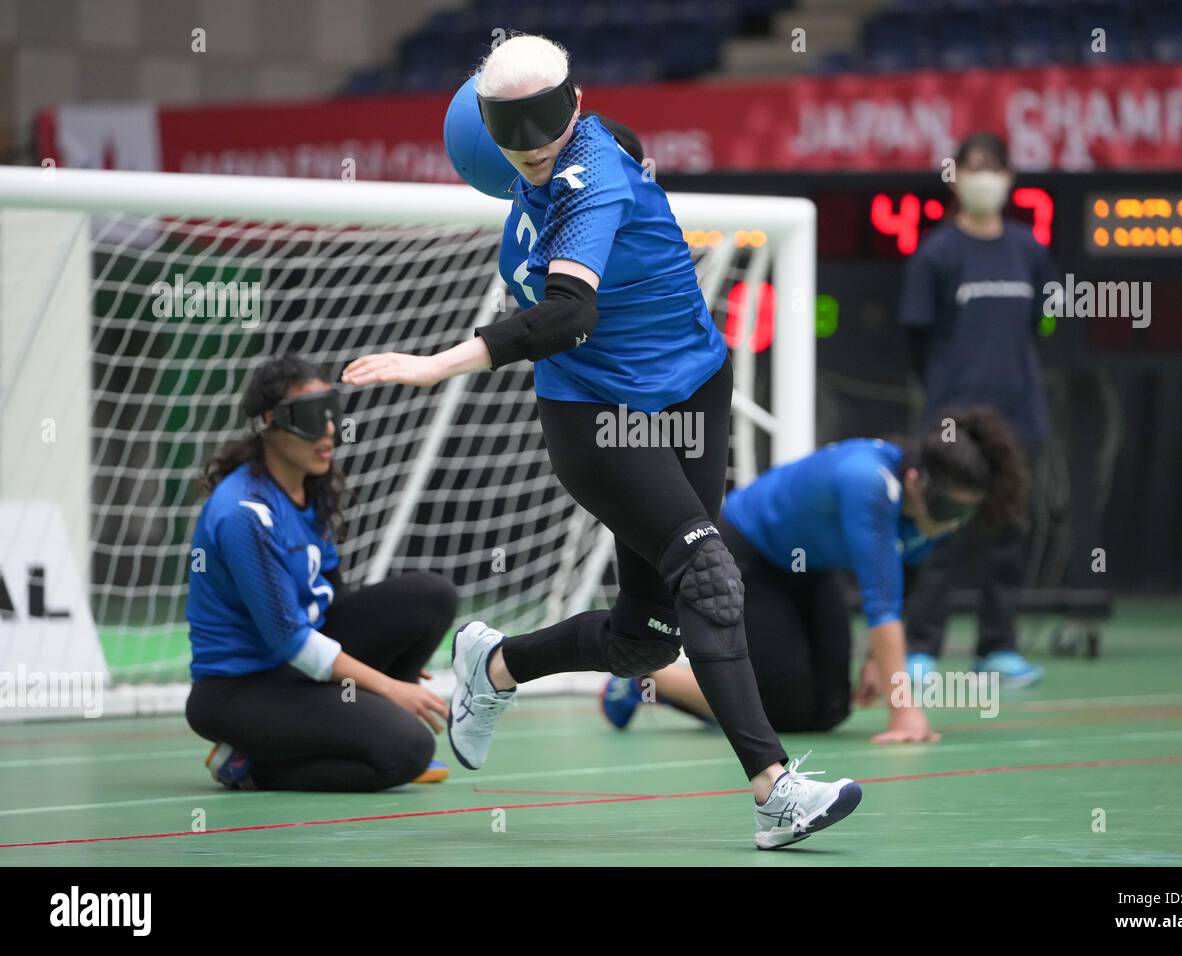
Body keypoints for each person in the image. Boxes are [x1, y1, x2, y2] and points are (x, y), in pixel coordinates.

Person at [342, 33, 861, 849]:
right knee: (712, 577)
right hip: (596, 419)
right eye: (514, 137)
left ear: (576, 109)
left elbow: (573, 305)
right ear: (491, 139)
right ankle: (774, 791)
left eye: (547, 128)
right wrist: (448, 361)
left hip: (693, 388)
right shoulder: (527, 213)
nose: (536, 150)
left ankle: (495, 664)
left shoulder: (596, 166)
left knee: (646, 639)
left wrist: (442, 362)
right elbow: (572, 320)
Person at [600, 408, 1027, 741]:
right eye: (950, 509)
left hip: (807, 568)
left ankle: (719, 697)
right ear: (916, 481)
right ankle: (649, 678)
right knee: (783, 706)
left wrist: (881, 662)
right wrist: (904, 710)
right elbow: (882, 601)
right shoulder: (870, 483)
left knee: (830, 709)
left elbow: (906, 579)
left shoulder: (932, 518)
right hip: (747, 553)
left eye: (965, 513)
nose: (953, 523)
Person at [185, 355, 458, 792]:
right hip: (241, 689)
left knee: (432, 597)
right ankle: (251, 763)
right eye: (312, 416)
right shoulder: (244, 512)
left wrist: (393, 648)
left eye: (331, 412)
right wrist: (388, 685)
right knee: (407, 752)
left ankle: (366, 725)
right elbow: (289, 639)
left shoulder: (309, 484)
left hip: (298, 666)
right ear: (269, 423)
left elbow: (333, 594)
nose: (329, 430)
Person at [897, 131, 1058, 687]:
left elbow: (1047, 323)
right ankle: (920, 651)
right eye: (974, 166)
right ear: (955, 177)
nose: (984, 176)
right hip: (951, 423)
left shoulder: (1030, 251)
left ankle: (998, 649)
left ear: (1010, 177)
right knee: (936, 536)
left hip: (1019, 418)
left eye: (994, 166)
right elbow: (916, 339)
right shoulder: (936, 254)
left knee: (1008, 535)